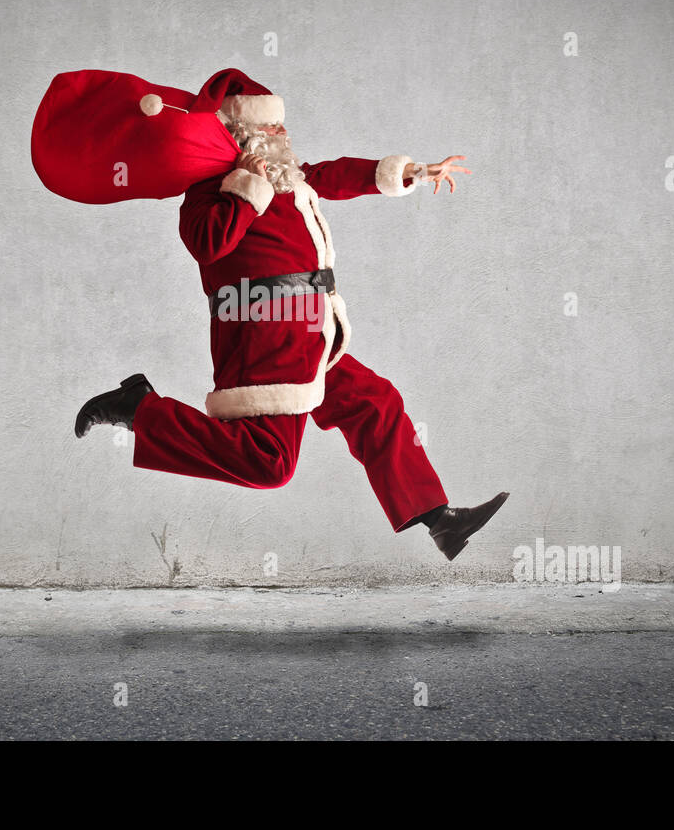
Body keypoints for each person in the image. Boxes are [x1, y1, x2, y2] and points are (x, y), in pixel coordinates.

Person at [74, 70, 508, 560]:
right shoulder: (208, 190)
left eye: (282, 127)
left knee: (375, 402)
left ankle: (439, 521)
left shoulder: (291, 180)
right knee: (270, 464)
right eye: (274, 128)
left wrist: (412, 172)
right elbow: (208, 243)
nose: (284, 134)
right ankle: (141, 411)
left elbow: (338, 176)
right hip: (260, 335)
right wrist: (246, 192)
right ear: (244, 136)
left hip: (307, 330)